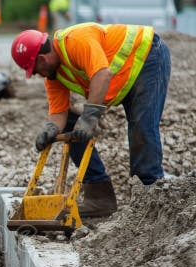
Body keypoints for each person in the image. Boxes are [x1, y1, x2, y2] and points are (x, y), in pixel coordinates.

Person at [10, 23, 171, 217]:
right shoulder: (53, 75)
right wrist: (51, 129)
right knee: (70, 125)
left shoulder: (76, 41)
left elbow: (102, 74)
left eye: (34, 70)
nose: (36, 75)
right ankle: (99, 195)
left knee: (141, 126)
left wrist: (90, 116)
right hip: (121, 77)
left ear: (42, 59)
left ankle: (150, 196)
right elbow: (59, 113)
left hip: (147, 56)